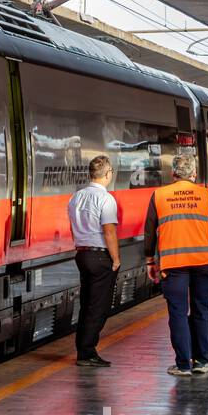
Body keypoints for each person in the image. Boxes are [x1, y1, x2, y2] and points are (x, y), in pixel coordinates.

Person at [144, 154, 208, 377]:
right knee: (202, 310)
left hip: (173, 264)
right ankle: (201, 361)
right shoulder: (206, 195)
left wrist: (149, 260)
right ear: (194, 174)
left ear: (172, 174)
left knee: (178, 313)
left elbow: (149, 231)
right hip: (204, 262)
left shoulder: (159, 195)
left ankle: (183, 364)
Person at [68, 155, 121, 367]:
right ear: (107, 174)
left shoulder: (76, 197)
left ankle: (83, 349)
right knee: (99, 306)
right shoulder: (106, 199)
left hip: (82, 254)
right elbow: (109, 231)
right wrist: (115, 259)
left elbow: (72, 226)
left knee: (87, 303)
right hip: (100, 256)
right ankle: (87, 352)